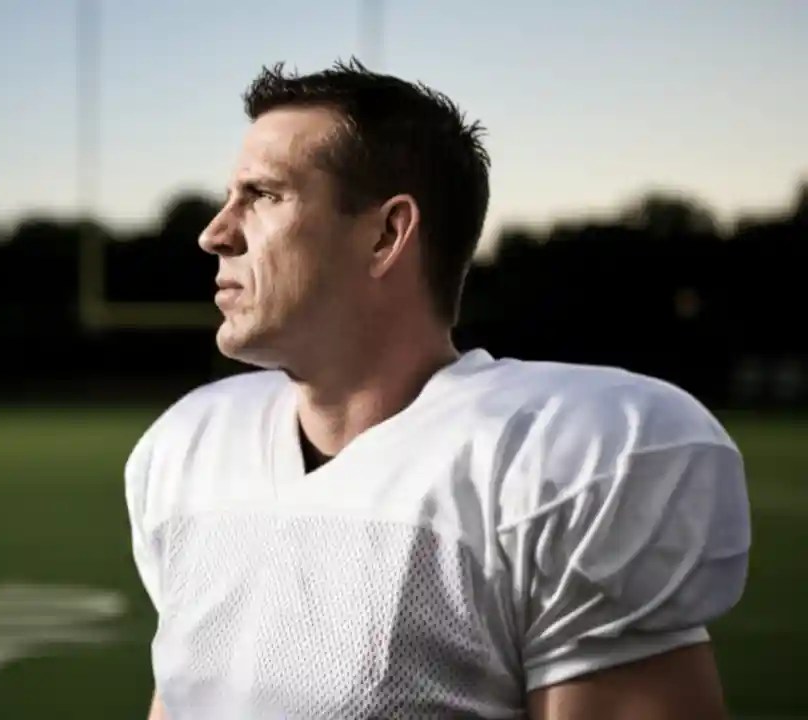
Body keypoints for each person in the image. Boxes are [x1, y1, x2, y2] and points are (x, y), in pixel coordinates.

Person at [124, 59, 750, 720]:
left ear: (387, 234)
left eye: (264, 195)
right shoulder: (189, 453)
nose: (215, 232)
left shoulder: (547, 467)